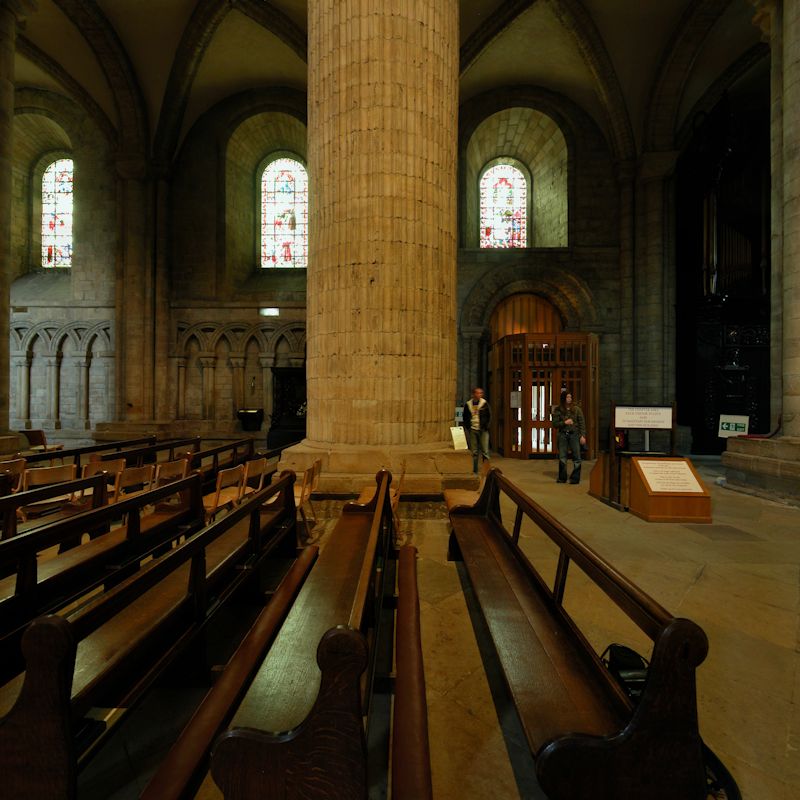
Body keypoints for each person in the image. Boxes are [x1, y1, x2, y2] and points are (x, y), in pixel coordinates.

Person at [552, 390, 586, 484]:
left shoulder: (576, 409)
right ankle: (562, 478)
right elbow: (554, 424)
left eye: (570, 397)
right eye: (567, 397)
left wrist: (582, 435)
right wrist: (564, 423)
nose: (569, 399)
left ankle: (575, 478)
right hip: (562, 435)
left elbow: (582, 423)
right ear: (563, 398)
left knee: (577, 457)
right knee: (562, 457)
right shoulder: (558, 410)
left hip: (574, 435)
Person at [463, 387, 491, 474]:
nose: (479, 395)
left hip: (483, 429)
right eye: (477, 393)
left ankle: (486, 470)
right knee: (474, 451)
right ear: (473, 394)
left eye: (481, 393)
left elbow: (489, 416)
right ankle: (475, 470)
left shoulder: (484, 404)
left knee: (485, 451)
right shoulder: (468, 404)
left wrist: (486, 426)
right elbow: (465, 417)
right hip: (473, 429)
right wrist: (468, 427)